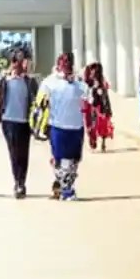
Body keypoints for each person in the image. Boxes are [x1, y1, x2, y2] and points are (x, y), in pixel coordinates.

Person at [38, 53, 89, 201]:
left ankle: (62, 185)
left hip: (76, 127)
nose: (67, 64)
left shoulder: (80, 83)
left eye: (70, 61)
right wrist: (40, 126)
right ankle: (67, 190)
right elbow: (40, 104)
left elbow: (87, 102)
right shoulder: (49, 82)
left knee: (73, 161)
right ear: (58, 63)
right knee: (60, 160)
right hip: (57, 127)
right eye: (64, 61)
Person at [0, 51, 37, 198]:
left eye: (19, 61)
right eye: (14, 62)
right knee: (14, 153)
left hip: (25, 122)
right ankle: (17, 181)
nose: (16, 65)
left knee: (23, 154)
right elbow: (0, 103)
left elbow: (36, 103)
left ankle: (22, 182)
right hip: (8, 121)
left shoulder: (29, 82)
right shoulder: (5, 81)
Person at [83, 62, 114, 152]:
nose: (93, 74)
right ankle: (94, 140)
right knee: (93, 124)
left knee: (101, 124)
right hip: (93, 105)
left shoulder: (102, 81)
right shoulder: (88, 81)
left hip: (100, 106)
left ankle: (101, 141)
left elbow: (105, 94)